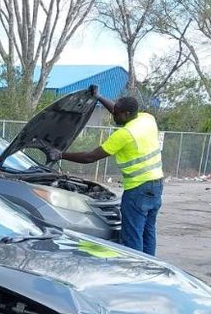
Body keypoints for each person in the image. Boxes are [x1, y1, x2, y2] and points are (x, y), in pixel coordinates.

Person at [58, 91, 163, 255]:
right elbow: (118, 109)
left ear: (126, 114)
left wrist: (60, 155)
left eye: (116, 113)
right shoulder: (147, 119)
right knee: (148, 231)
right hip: (156, 185)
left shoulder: (125, 134)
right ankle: (150, 268)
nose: (113, 114)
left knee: (132, 236)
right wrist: (98, 97)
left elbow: (90, 157)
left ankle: (133, 271)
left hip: (137, 189)